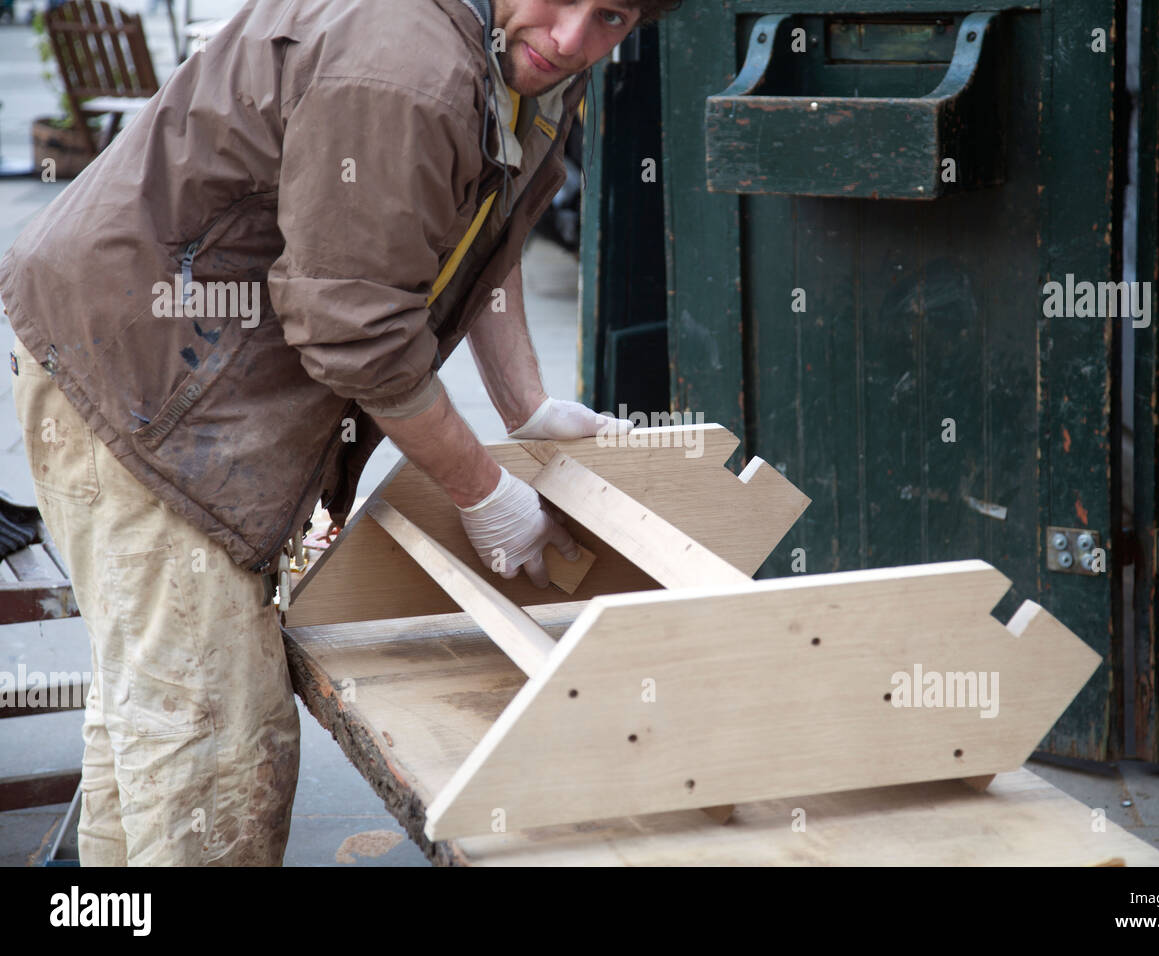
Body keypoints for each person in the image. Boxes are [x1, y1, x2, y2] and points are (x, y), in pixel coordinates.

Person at [0, 0, 681, 865]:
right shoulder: (406, 67)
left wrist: (527, 408)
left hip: (165, 371)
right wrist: (486, 493)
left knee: (156, 707)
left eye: (614, 18)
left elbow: (483, 239)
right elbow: (355, 333)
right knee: (215, 745)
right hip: (143, 384)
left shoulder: (523, 60)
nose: (575, 39)